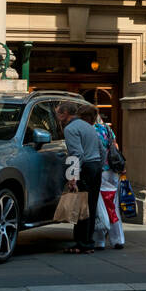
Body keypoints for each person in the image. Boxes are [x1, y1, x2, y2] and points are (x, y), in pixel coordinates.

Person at [55, 99, 104, 254]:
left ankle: (82, 244)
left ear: (65, 114)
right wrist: (99, 166)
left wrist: (72, 176)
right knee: (91, 205)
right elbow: (102, 149)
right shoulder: (88, 126)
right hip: (95, 167)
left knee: (81, 207)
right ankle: (87, 242)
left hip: (86, 168)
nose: (56, 117)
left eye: (58, 114)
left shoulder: (71, 129)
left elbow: (77, 154)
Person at [81, 103, 126, 250]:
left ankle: (101, 240)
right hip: (112, 171)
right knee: (111, 205)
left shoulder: (87, 131)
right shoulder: (106, 128)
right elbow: (115, 146)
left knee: (100, 207)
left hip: (99, 171)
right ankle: (116, 239)